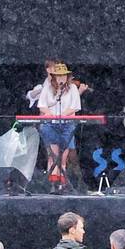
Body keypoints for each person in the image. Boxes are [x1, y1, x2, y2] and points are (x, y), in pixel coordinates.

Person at [30, 61, 90, 194]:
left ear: (67, 76)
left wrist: (62, 115)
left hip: (67, 124)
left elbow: (75, 106)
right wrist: (51, 114)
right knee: (53, 156)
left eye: (63, 75)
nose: (61, 78)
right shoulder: (47, 88)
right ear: (54, 76)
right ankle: (53, 184)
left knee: (63, 157)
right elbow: (42, 105)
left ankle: (62, 184)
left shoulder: (73, 88)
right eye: (58, 75)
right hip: (51, 124)